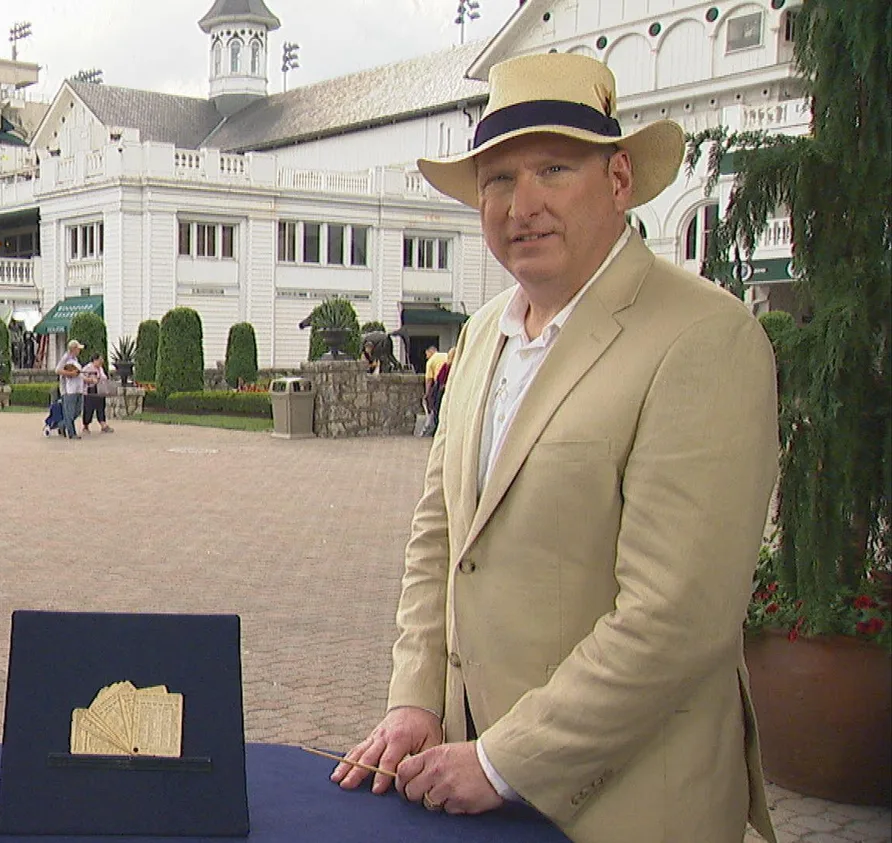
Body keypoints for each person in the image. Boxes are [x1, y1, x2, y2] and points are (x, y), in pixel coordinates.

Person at [331, 53, 778, 843]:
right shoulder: (480, 334)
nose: (521, 203)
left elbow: (675, 618)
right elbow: (440, 539)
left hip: (631, 806)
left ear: (618, 181)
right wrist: (415, 697)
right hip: (479, 786)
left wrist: (504, 759)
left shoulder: (704, 338)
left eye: (553, 168)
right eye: (497, 179)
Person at [55, 339, 85, 439]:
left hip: (78, 388)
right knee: (69, 412)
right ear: (73, 349)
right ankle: (72, 433)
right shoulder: (66, 358)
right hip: (68, 390)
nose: (79, 351)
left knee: (77, 411)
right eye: (78, 349)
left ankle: (62, 424)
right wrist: (70, 374)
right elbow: (58, 370)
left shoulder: (75, 359)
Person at [80, 352, 114, 434]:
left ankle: (103, 425)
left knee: (101, 407)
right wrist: (90, 380)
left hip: (100, 390)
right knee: (88, 409)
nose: (101, 361)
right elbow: (81, 376)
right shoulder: (88, 367)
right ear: (95, 360)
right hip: (90, 390)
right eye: (99, 360)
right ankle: (86, 426)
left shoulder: (100, 368)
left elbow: (103, 377)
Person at [421, 345, 446, 436]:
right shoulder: (446, 355)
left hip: (439, 383)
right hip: (450, 382)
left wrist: (427, 393)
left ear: (430, 352)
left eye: (426, 354)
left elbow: (429, 379)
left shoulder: (431, 361)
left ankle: (437, 429)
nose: (426, 356)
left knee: (436, 407)